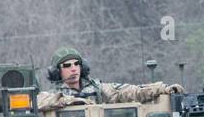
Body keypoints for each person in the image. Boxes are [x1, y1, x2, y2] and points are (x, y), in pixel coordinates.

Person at [36, 47, 183, 110]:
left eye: (77, 64)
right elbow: (38, 101)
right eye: (67, 65)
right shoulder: (53, 94)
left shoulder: (97, 89)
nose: (73, 68)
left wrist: (161, 89)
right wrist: (70, 101)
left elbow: (129, 92)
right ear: (57, 71)